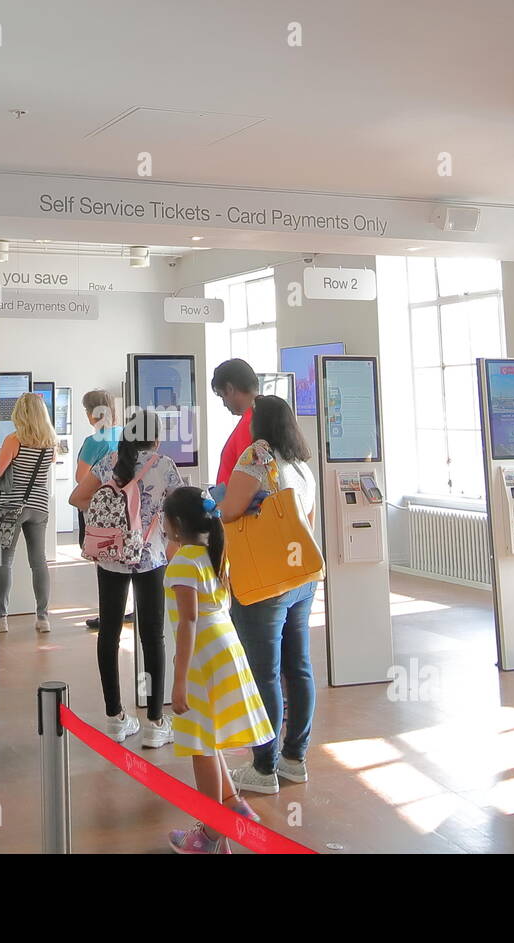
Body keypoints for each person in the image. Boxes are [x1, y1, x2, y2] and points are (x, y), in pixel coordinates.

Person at [217, 394, 319, 795]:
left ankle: (263, 767)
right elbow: (304, 523)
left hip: (265, 581)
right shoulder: (301, 464)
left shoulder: (258, 455)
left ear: (261, 426)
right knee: (299, 668)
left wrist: (219, 498)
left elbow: (229, 510)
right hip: (302, 578)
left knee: (264, 673)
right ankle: (295, 758)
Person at [162, 486, 271, 853]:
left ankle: (208, 833)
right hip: (226, 649)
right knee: (207, 739)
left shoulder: (182, 563)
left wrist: (178, 683)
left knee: (199, 746)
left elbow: (187, 622)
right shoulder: (213, 555)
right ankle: (230, 808)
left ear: (174, 524)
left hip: (202, 660)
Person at [70, 408, 181, 747]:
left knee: (109, 634)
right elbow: (177, 516)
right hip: (151, 558)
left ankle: (115, 717)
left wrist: (109, 515)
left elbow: (77, 497)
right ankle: (154, 723)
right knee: (152, 638)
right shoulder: (164, 466)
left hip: (111, 557)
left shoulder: (110, 462)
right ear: (156, 437)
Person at [0, 392, 56, 633]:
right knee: (39, 561)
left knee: (3, 560)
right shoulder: (50, 442)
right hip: (39, 506)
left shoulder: (14, 440)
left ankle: (1, 618)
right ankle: (43, 618)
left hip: (12, 505)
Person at [75, 390, 123, 630]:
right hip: (123, 506)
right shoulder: (124, 434)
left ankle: (109, 613)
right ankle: (127, 608)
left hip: (97, 509)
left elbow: (81, 477)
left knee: (103, 562)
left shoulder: (93, 442)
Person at [211, 358, 259, 487]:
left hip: (240, 506)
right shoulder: (264, 416)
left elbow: (247, 478)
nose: (224, 404)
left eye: (222, 396)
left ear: (230, 388)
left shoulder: (249, 424)